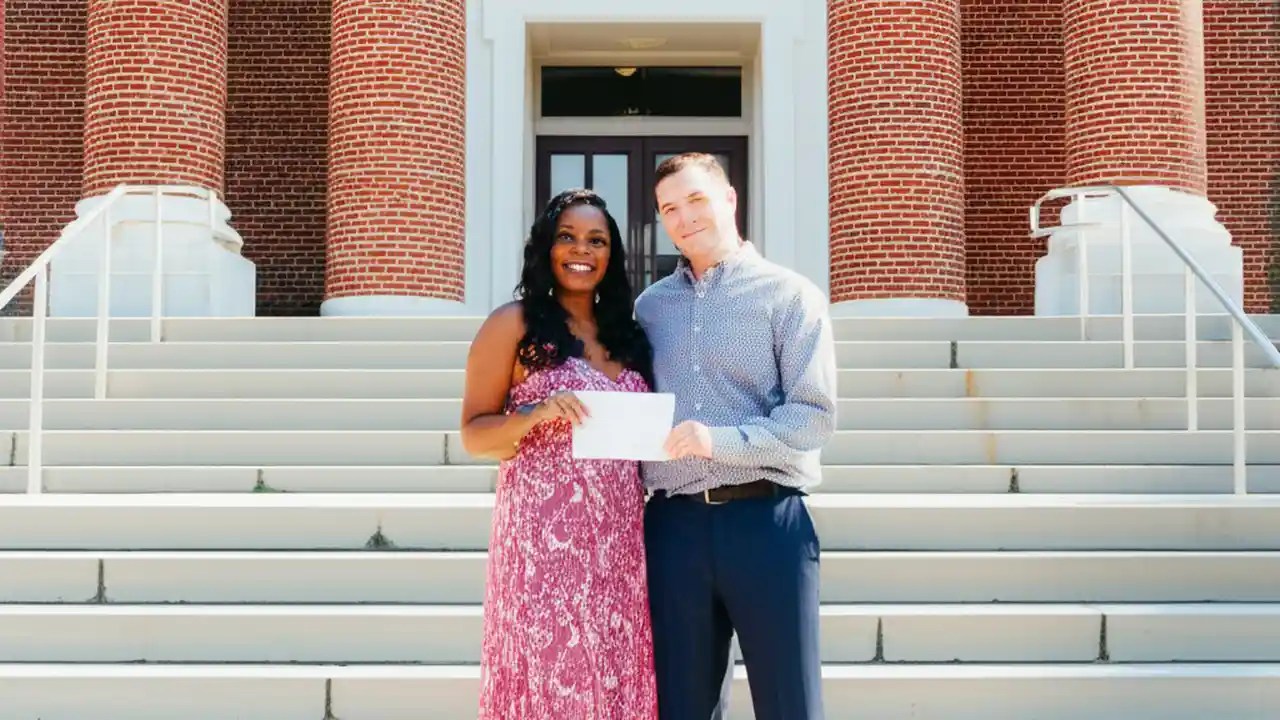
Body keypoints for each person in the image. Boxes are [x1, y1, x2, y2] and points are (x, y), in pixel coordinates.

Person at [636, 153, 837, 720]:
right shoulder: (649, 309)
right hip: (673, 528)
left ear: (729, 199)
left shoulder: (790, 297)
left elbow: (813, 417)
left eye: (696, 199)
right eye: (669, 209)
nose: (683, 217)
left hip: (766, 524)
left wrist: (718, 441)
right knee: (682, 706)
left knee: (789, 703)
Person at [465, 188, 659, 720]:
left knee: (615, 670)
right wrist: (534, 417)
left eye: (596, 240)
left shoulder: (630, 336)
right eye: (567, 237)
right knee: (551, 676)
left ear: (611, 255)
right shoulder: (513, 324)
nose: (582, 249)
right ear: (546, 248)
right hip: (542, 543)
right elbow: (474, 433)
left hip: (621, 541)